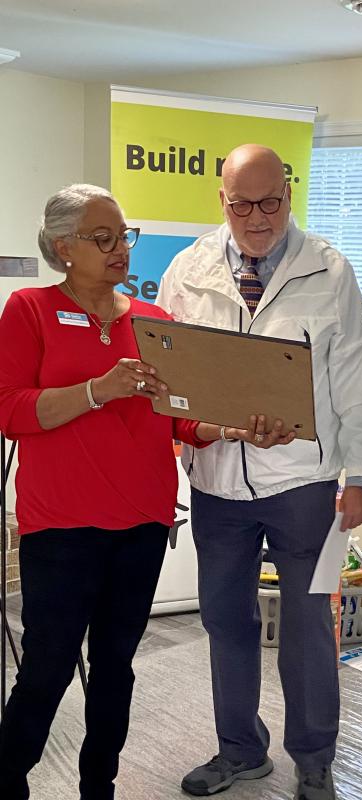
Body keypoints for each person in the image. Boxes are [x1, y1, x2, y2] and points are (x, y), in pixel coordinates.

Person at [0, 183, 287, 800]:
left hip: (142, 524)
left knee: (114, 670)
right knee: (47, 668)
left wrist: (229, 427)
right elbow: (11, 411)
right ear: (62, 248)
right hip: (62, 526)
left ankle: (99, 785)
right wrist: (97, 391)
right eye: (100, 238)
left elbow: (182, 420)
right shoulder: (29, 309)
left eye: (122, 236)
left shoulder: (157, 321)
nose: (118, 250)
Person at [157, 144, 362, 800]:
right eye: (241, 204)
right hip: (216, 483)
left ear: (289, 194)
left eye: (271, 202)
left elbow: (359, 383)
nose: (258, 218)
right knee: (226, 619)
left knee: (308, 625)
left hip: (303, 485)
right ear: (220, 201)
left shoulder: (330, 273)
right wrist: (207, 425)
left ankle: (314, 759)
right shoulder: (188, 269)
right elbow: (174, 370)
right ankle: (240, 750)